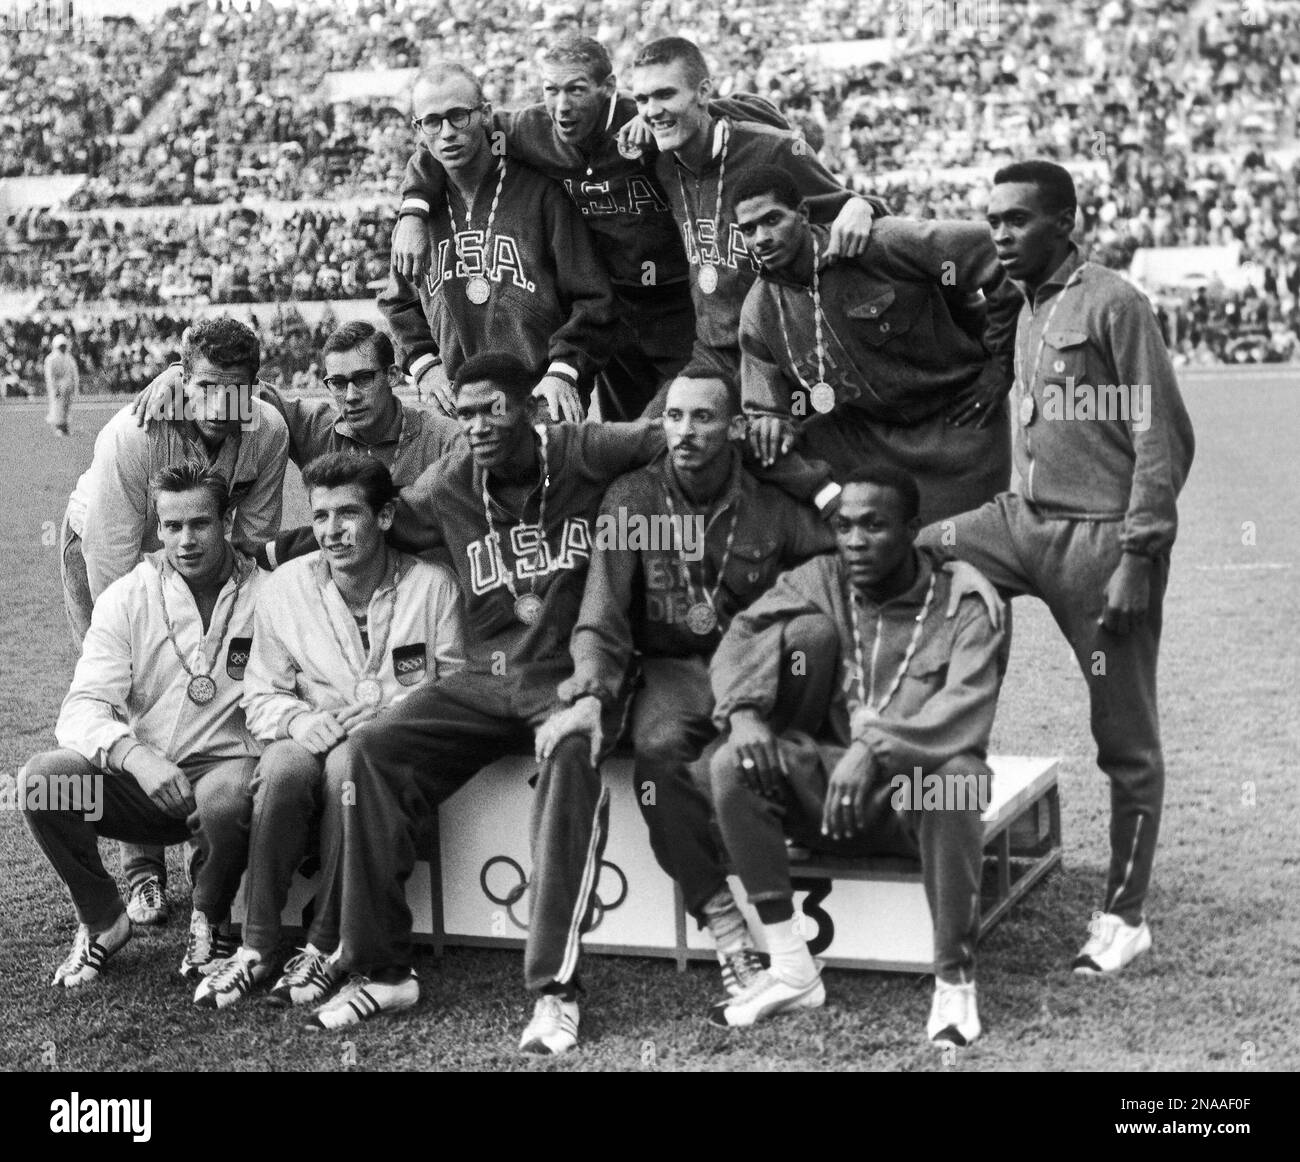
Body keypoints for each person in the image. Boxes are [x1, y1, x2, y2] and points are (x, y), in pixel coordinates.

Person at [535, 374, 1001, 997]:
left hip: (760, 665)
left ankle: (780, 789)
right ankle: (723, 921)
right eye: (673, 416)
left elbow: (864, 549)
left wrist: (951, 568)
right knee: (658, 752)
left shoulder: (769, 501)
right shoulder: (633, 501)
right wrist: (590, 689)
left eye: (702, 418)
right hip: (677, 669)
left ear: (733, 429)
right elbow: (602, 612)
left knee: (812, 635)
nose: (684, 432)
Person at [297, 351, 670, 1043]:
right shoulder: (450, 482)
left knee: (568, 756)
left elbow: (678, 433)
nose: (476, 425)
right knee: (374, 749)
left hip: (571, 678)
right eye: (463, 414)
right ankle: (382, 971)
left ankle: (554, 990)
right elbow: (373, 520)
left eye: (491, 409)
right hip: (484, 680)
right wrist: (261, 552)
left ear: (530, 409)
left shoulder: (585, 449)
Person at [920, 160, 1194, 977]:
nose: (998, 232)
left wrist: (1140, 555)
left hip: (1100, 541)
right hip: (1021, 521)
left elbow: (1163, 437)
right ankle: (933, 756)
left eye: (1017, 220)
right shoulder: (1027, 303)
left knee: (1126, 737)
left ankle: (1125, 914)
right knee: (907, 551)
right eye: (992, 218)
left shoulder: (1114, 302)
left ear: (1064, 222)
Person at [709, 467, 1005, 1045]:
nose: (854, 542)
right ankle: (792, 967)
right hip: (836, 792)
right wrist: (743, 715)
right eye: (843, 527)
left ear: (912, 529)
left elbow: (964, 715)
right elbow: (740, 635)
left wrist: (873, 749)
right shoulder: (822, 578)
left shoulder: (967, 599)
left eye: (874, 526)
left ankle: (954, 982)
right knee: (732, 764)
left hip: (910, 799)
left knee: (960, 778)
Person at [389, 35, 785, 420]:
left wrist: (653, 122)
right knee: (624, 437)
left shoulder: (649, 116)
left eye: (576, 90)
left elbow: (743, 117)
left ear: (608, 87)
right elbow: (441, 143)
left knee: (682, 425)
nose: (562, 106)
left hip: (678, 305)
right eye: (551, 90)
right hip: (615, 315)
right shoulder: (530, 128)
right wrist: (413, 208)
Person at [194, 454, 464, 1010]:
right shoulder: (286, 586)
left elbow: (458, 688)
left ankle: (323, 949)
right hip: (311, 740)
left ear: (385, 517)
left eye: (347, 514)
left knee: (353, 763)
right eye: (319, 517)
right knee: (284, 765)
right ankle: (256, 949)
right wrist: (301, 719)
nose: (331, 532)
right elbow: (261, 693)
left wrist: (394, 717)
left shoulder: (433, 587)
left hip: (392, 751)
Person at [59, 316, 288, 930]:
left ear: (256, 386)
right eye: (206, 386)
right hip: (105, 545)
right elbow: (112, 555)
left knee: (215, 675)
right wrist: (153, 626)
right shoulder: (132, 436)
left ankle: (211, 834)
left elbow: (257, 542)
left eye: (234, 388)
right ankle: (142, 872)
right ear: (183, 381)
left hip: (194, 539)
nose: (220, 403)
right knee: (133, 689)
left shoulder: (267, 430)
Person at [22, 461, 264, 988]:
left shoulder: (267, 594)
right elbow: (81, 708)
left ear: (227, 520)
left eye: (200, 523)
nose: (186, 540)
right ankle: (103, 919)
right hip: (140, 790)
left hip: (224, 782)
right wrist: (136, 756)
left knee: (227, 798)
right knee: (46, 782)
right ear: (157, 527)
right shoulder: (128, 595)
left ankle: (211, 918)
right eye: (172, 526)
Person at [732, 164, 1022, 524]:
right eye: (748, 230)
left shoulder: (876, 244)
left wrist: (1000, 364)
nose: (761, 237)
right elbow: (764, 415)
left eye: (772, 219)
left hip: (959, 423)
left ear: (803, 214)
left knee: (954, 551)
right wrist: (775, 428)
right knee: (738, 451)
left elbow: (1001, 259)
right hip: (865, 437)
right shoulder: (759, 312)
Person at [628, 37, 889, 384]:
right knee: (660, 432)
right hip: (715, 352)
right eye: (642, 100)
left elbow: (854, 212)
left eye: (665, 94)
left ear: (703, 92)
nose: (651, 110)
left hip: (786, 350)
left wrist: (863, 205)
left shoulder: (774, 150)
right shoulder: (662, 161)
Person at [380, 62, 620, 425]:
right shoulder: (419, 214)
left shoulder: (542, 192)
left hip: (538, 399)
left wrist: (564, 371)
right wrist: (425, 367)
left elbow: (593, 298)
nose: (446, 132)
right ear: (419, 128)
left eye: (458, 116)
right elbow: (399, 304)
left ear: (485, 114)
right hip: (457, 407)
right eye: (432, 121)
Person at [132, 320, 462, 565]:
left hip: (423, 582)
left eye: (363, 379)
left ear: (391, 376)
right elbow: (237, 383)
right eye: (338, 382)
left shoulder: (441, 437)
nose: (350, 395)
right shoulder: (317, 426)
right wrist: (179, 374)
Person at [44, 333, 79, 437]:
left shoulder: (69, 358)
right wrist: (54, 388)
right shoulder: (51, 359)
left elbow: (74, 374)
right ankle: (58, 428)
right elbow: (50, 376)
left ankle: (65, 427)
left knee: (66, 408)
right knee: (57, 407)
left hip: (68, 387)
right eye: (61, 346)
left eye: (64, 346)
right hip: (58, 387)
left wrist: (74, 387)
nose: (63, 348)